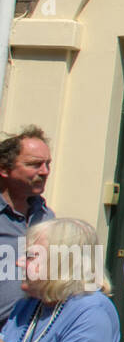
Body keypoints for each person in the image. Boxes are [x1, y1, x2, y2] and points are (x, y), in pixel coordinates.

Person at [0, 127, 54, 325]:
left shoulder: (47, 217)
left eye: (47, 164)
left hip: (30, 332)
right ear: (4, 169)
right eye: (35, 165)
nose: (45, 171)